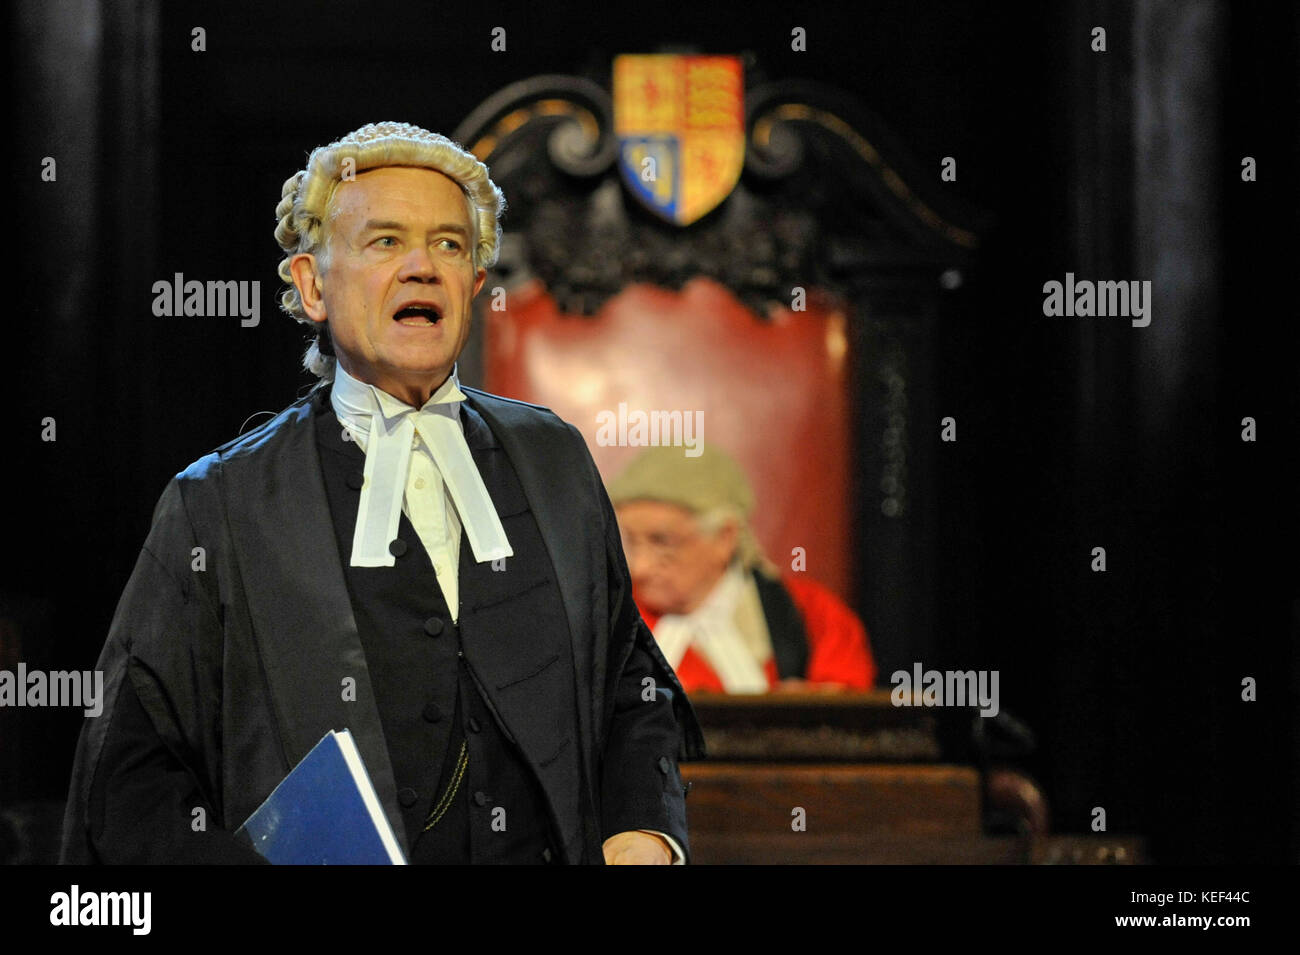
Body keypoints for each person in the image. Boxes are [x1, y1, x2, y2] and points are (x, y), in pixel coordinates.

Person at [60, 122, 703, 865]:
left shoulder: (554, 458)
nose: (424, 267)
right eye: (386, 242)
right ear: (310, 285)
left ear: (474, 286)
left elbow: (630, 685)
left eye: (450, 245)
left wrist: (644, 831)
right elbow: (132, 778)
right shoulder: (219, 506)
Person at [609, 444, 877, 694]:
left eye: (662, 542)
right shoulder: (611, 619)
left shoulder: (814, 616)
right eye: (632, 542)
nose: (640, 568)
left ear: (724, 537)